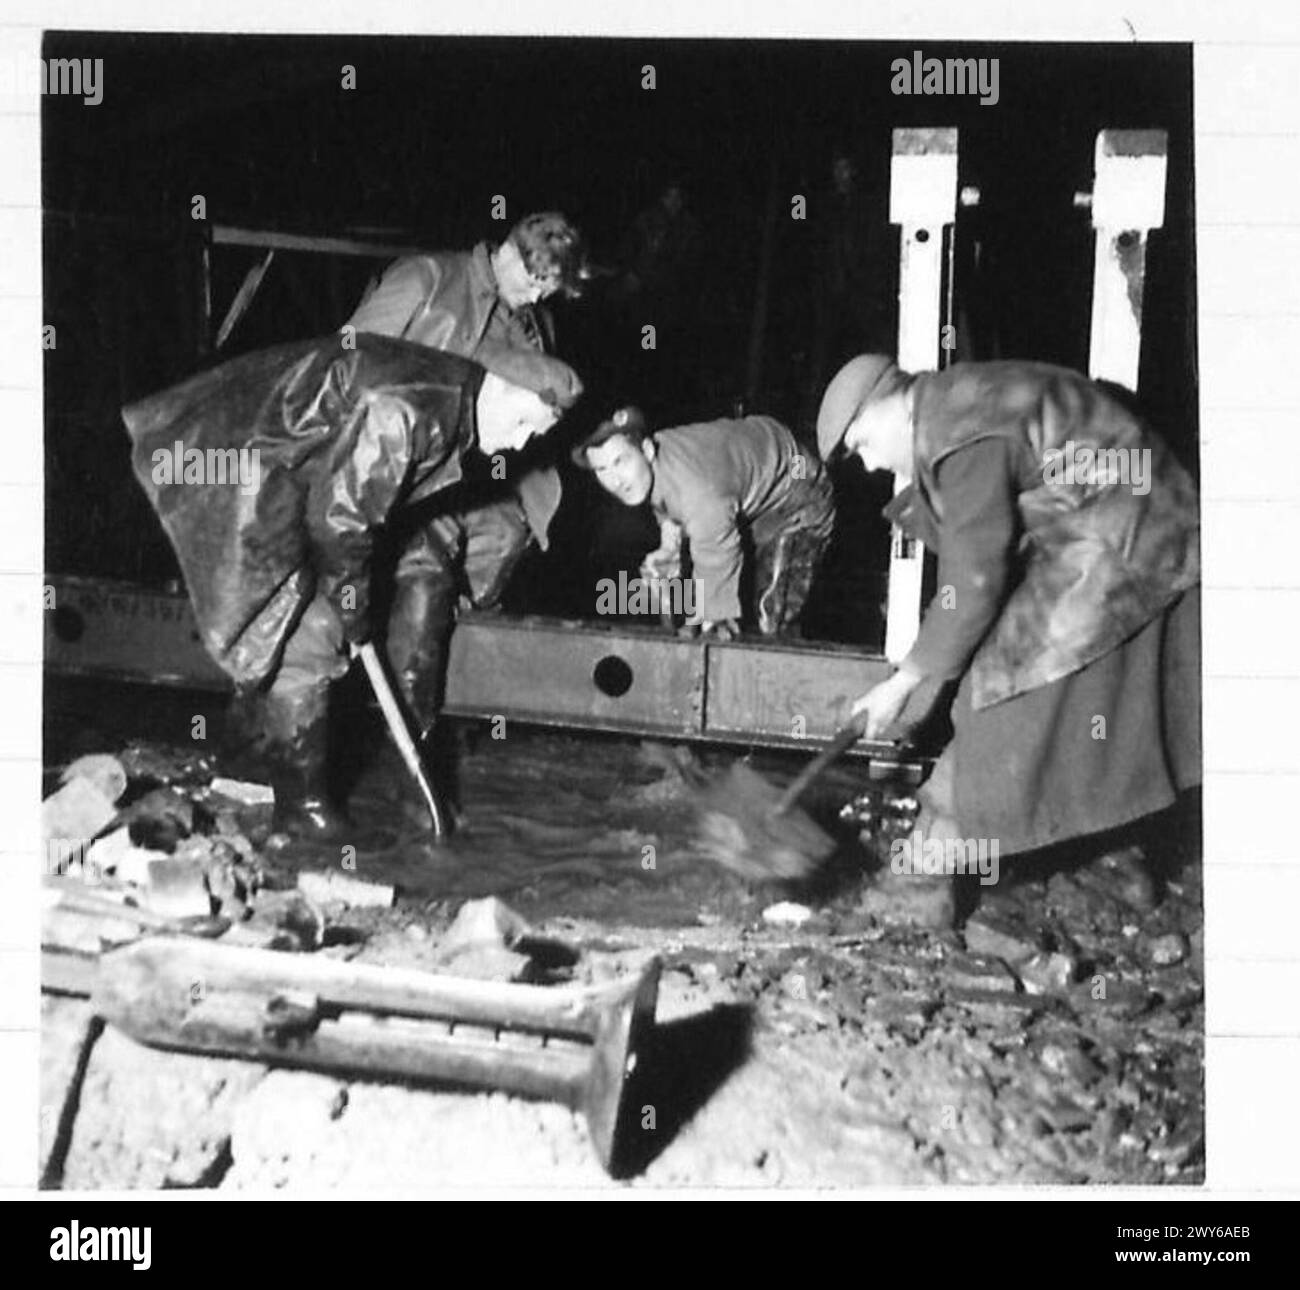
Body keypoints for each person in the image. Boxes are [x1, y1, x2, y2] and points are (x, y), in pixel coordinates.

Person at [123, 334, 582, 840]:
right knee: (302, 624)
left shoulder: (450, 397)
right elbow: (340, 521)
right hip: (232, 462)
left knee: (308, 620)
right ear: (499, 389)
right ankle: (304, 808)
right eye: (521, 424)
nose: (519, 444)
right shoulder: (408, 412)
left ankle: (253, 760)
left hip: (280, 467)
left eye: (532, 435)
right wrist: (354, 607)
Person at [816, 354, 1200, 928]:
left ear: (892, 404)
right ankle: (1117, 862)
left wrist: (903, 684)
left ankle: (922, 881)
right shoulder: (958, 402)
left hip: (1117, 537)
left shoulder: (960, 434)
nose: (870, 464)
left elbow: (973, 584)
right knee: (1084, 708)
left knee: (996, 695)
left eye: (864, 442)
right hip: (1136, 520)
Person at [344, 211, 591, 750]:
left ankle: (441, 692)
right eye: (534, 281)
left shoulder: (532, 321)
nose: (537, 297)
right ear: (508, 251)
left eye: (549, 289)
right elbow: (348, 364)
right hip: (404, 475)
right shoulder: (426, 279)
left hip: (481, 480)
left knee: (504, 541)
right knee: (426, 568)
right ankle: (408, 737)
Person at [572, 407, 835, 639]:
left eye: (620, 461)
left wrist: (712, 614)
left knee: (771, 616)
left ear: (647, 450)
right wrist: (668, 547)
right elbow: (670, 503)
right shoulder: (655, 468)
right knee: (723, 592)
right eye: (602, 470)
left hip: (799, 478)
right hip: (757, 483)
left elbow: (716, 549)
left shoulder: (698, 491)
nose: (615, 480)